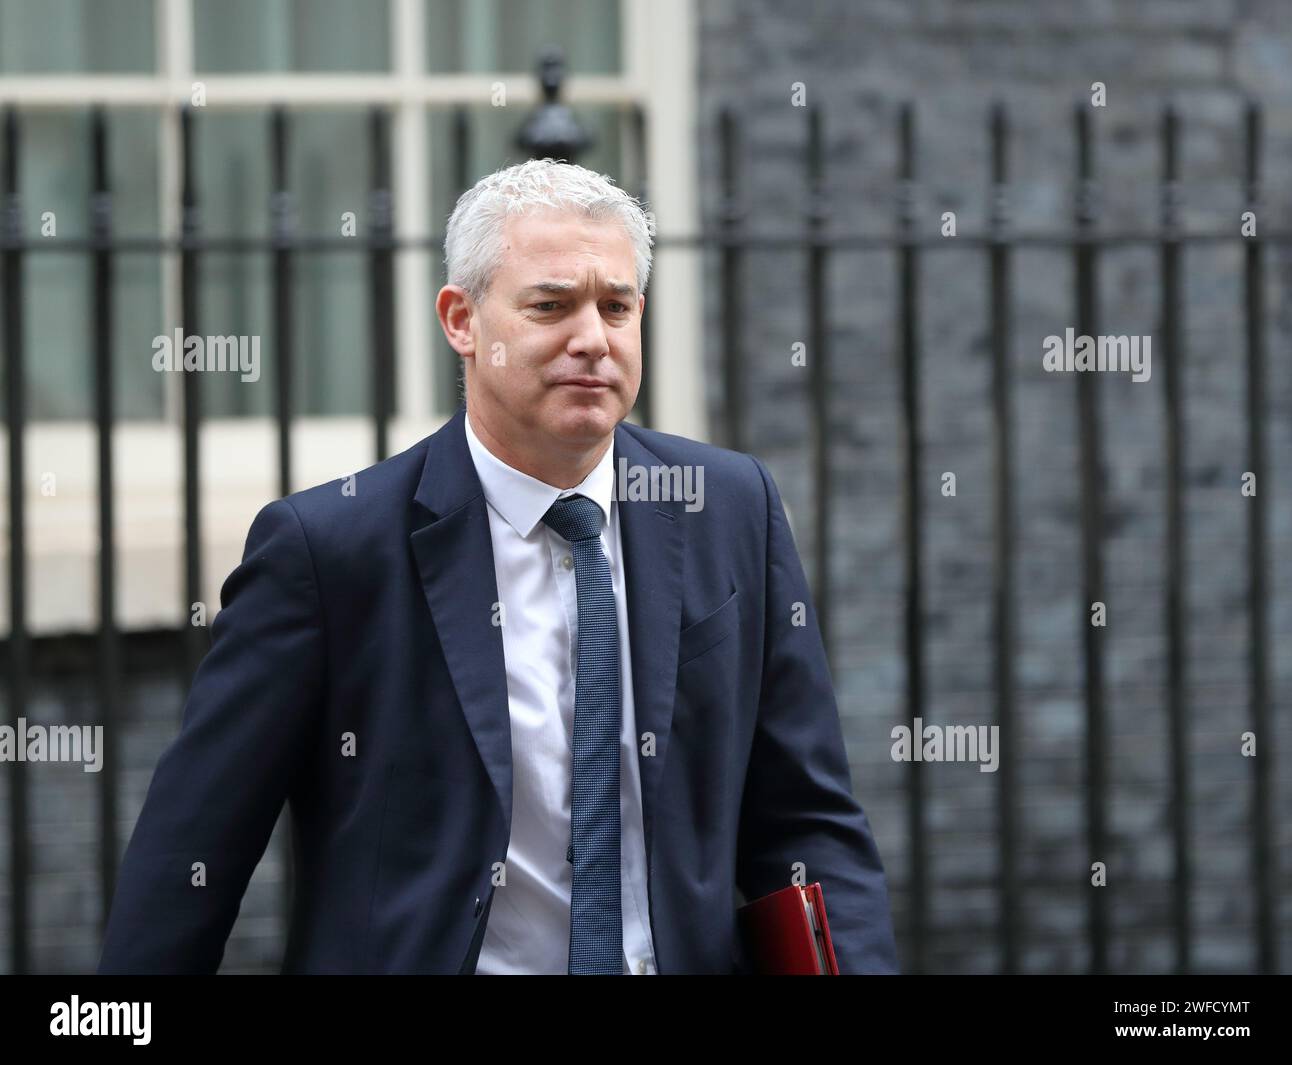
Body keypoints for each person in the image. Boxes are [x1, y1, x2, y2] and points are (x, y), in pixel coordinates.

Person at [97, 159, 898, 975]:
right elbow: (192, 852)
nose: (592, 336)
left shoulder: (730, 506)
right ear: (462, 320)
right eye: (551, 305)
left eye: (615, 306)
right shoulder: (327, 548)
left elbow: (808, 820)